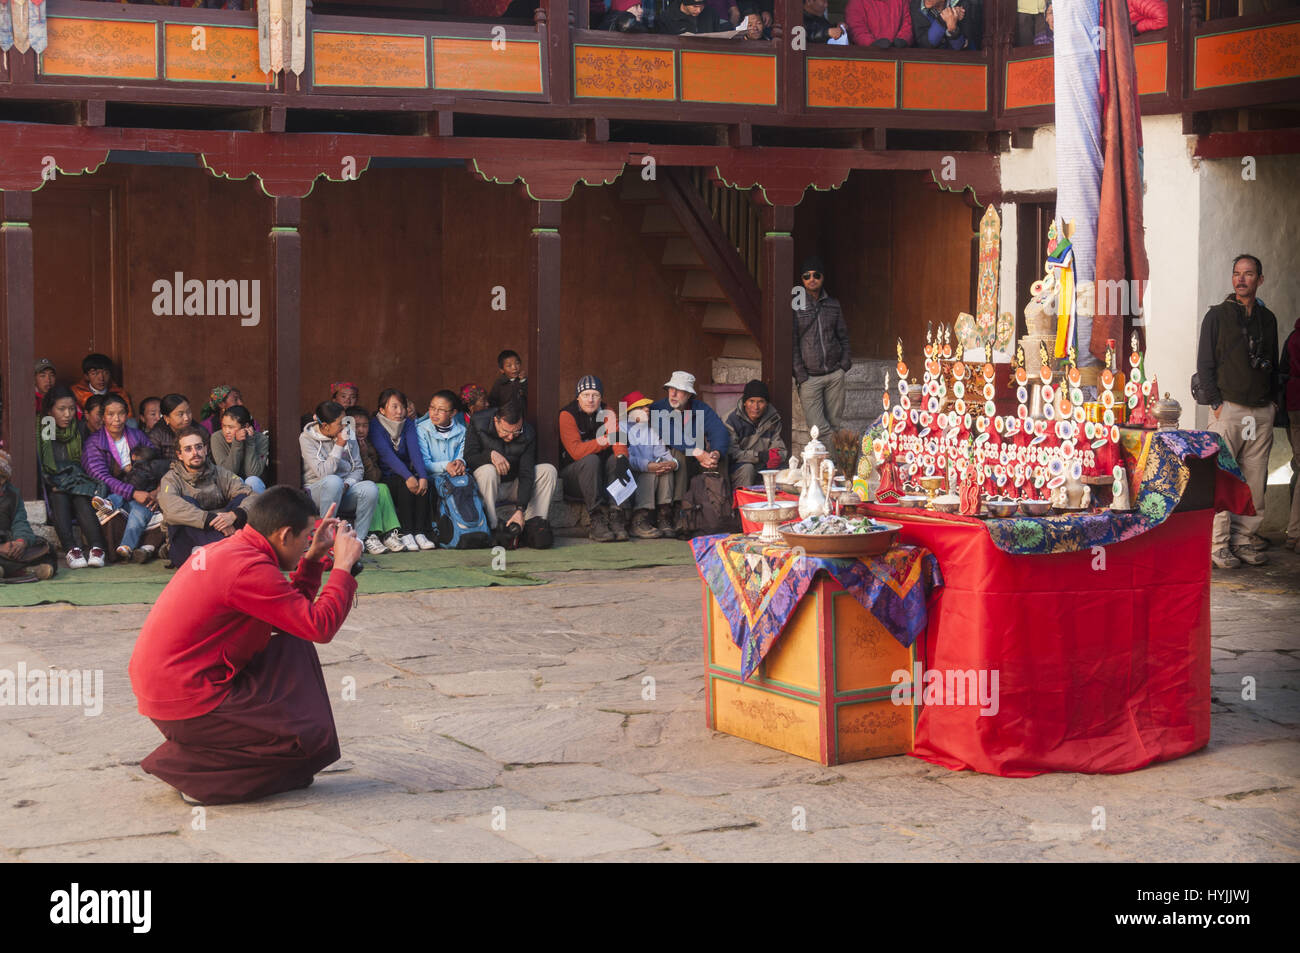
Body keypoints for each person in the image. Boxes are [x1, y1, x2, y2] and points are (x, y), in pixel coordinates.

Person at [129, 486, 362, 805]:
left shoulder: (237, 550)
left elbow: (293, 617)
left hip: (176, 688)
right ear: (283, 535)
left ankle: (216, 754)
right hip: (187, 700)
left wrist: (313, 557)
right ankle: (196, 772)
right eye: (307, 536)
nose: (310, 542)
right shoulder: (248, 567)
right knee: (305, 739)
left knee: (296, 646)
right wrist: (342, 567)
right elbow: (320, 627)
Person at [1196, 254, 1279, 569]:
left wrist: (1273, 402)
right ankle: (1218, 546)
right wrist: (1215, 403)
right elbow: (1205, 364)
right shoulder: (1217, 316)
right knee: (1223, 477)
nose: (1241, 279)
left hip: (1260, 411)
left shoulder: (1267, 318)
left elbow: (1273, 362)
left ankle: (1245, 540)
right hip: (1227, 409)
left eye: (1248, 274)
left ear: (1260, 279)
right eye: (1236, 274)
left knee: (1255, 480)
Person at [158, 426, 257, 569]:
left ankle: (225, 550)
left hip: (224, 530)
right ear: (179, 455)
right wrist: (214, 520)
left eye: (198, 447)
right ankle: (231, 549)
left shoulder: (221, 473)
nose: (195, 453)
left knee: (242, 498)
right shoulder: (170, 479)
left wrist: (234, 515)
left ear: (205, 449)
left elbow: (252, 496)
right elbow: (171, 509)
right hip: (190, 543)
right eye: (188, 449)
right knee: (186, 503)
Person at [82, 393, 164, 563]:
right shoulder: (94, 442)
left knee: (142, 511)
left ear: (127, 415)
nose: (116, 419)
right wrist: (133, 492)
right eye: (110, 414)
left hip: (144, 491)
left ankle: (129, 546)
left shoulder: (137, 436)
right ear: (103, 417)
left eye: (121, 414)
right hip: (116, 491)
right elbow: (101, 476)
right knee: (114, 510)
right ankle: (110, 507)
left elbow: (154, 463)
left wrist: (156, 491)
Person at [649, 371, 731, 536]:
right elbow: (669, 434)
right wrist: (697, 452)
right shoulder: (658, 408)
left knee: (720, 460)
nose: (673, 393)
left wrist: (715, 453)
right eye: (671, 389)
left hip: (697, 458)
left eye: (678, 390)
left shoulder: (700, 408)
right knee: (680, 455)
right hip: (670, 457)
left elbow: (719, 430)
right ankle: (680, 511)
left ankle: (720, 510)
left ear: (688, 394)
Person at [37, 385, 110, 569]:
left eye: (71, 409)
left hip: (78, 480)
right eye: (61, 409)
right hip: (54, 481)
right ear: (49, 410)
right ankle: (71, 549)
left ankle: (97, 548)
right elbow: (47, 462)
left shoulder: (79, 428)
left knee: (81, 498)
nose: (67, 414)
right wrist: (57, 478)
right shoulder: (47, 426)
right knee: (59, 495)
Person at [465, 401, 558, 543]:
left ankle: (532, 526)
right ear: (496, 420)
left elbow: (526, 473)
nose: (510, 437)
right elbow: (469, 458)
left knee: (548, 470)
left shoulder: (527, 432)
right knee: (488, 471)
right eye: (506, 432)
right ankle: (492, 526)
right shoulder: (478, 421)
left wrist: (520, 509)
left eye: (516, 432)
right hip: (486, 485)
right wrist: (489, 455)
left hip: (513, 484)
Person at [300, 401, 380, 553]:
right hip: (317, 492)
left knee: (370, 488)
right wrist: (338, 446)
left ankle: (359, 541)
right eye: (339, 424)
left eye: (345, 422)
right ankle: (325, 537)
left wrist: (348, 484)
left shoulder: (348, 432)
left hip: (343, 490)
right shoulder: (306, 438)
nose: (344, 427)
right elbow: (323, 473)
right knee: (333, 481)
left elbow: (358, 468)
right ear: (325, 426)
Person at [559, 375, 632, 543]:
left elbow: (617, 436)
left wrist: (621, 456)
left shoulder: (607, 411)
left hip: (601, 477)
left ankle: (616, 515)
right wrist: (607, 440)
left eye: (595, 395)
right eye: (586, 395)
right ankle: (596, 518)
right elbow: (576, 451)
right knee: (591, 460)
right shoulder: (567, 415)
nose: (590, 400)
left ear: (601, 397)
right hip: (575, 477)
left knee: (616, 459)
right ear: (578, 397)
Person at [792, 255, 852, 435]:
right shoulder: (796, 305)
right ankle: (830, 462)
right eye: (807, 275)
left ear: (823, 277)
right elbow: (792, 343)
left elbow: (843, 336)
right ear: (801, 280)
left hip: (835, 374)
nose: (812, 279)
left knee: (835, 425)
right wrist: (800, 374)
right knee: (818, 428)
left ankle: (829, 463)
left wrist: (844, 366)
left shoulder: (833, 305)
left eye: (816, 275)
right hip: (810, 378)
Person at [371, 388, 435, 551]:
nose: (400, 411)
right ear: (382, 410)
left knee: (423, 486)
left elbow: (415, 451)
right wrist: (408, 476)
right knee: (405, 485)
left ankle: (420, 532)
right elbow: (386, 455)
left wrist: (422, 476)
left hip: (406, 473)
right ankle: (406, 533)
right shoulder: (375, 425)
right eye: (394, 407)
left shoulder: (408, 424)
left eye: (402, 407)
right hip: (386, 475)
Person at [348, 407, 405, 554]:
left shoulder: (368, 445)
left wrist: (365, 455)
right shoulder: (345, 444)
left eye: (365, 425)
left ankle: (389, 534)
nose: (361, 430)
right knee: (370, 489)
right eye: (356, 426)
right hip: (349, 490)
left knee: (382, 487)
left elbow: (374, 476)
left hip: (367, 483)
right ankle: (369, 535)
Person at [622, 390, 677, 538]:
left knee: (666, 471)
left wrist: (672, 463)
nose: (647, 409)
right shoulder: (622, 428)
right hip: (632, 477)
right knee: (649, 474)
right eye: (642, 407)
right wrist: (648, 466)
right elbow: (626, 458)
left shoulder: (651, 430)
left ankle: (663, 516)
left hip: (652, 471)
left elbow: (663, 452)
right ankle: (639, 519)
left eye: (647, 407)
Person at [0, 450, 56, 582]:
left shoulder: (12, 493)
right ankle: (25, 571)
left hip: (7, 540)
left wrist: (20, 542)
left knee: (47, 548)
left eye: (1, 477)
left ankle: (10, 571)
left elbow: (20, 522)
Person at [726, 379, 787, 489]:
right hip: (738, 467)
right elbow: (732, 453)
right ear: (745, 402)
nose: (756, 407)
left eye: (761, 402)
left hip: (762, 464)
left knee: (785, 472)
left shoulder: (773, 419)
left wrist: (776, 456)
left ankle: (776, 504)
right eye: (751, 401)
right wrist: (758, 456)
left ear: (766, 403)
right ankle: (743, 504)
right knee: (747, 469)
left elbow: (780, 449)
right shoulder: (731, 420)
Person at [210, 404, 270, 494]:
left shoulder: (261, 439)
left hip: (255, 486)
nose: (226, 431)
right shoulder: (217, 438)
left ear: (246, 426)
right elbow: (228, 473)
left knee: (252, 480)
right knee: (236, 480)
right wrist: (237, 443)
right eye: (224, 426)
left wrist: (250, 442)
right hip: (229, 486)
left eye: (231, 427)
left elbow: (252, 473)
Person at [72, 352, 133, 417]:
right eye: (94, 373)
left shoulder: (119, 393)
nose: (101, 378)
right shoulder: (77, 393)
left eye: (106, 373)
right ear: (86, 376)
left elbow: (128, 418)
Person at [913, 0, 981, 50]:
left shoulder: (964, 5)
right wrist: (943, 19)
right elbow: (925, 44)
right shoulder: (916, 5)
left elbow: (962, 47)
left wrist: (952, 29)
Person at [148, 393, 196, 461]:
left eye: (188, 412)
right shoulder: (156, 436)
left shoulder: (200, 431)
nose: (186, 418)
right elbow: (155, 465)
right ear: (166, 418)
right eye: (180, 414)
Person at [846, 0, 911, 47]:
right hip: (867, 55)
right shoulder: (856, 2)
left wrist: (902, 39)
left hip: (899, 53)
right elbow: (856, 28)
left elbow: (909, 22)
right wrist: (872, 43)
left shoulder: (903, 1)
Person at [487, 350, 529, 418]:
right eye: (509, 366)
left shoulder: (524, 381)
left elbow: (530, 397)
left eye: (517, 363)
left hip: (523, 418)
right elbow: (492, 403)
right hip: (505, 419)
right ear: (502, 370)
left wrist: (523, 381)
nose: (514, 368)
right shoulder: (499, 383)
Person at [660, 0, 730, 34]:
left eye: (702, 6)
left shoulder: (711, 13)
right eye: (695, 6)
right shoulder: (666, 18)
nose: (699, 10)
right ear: (684, 4)